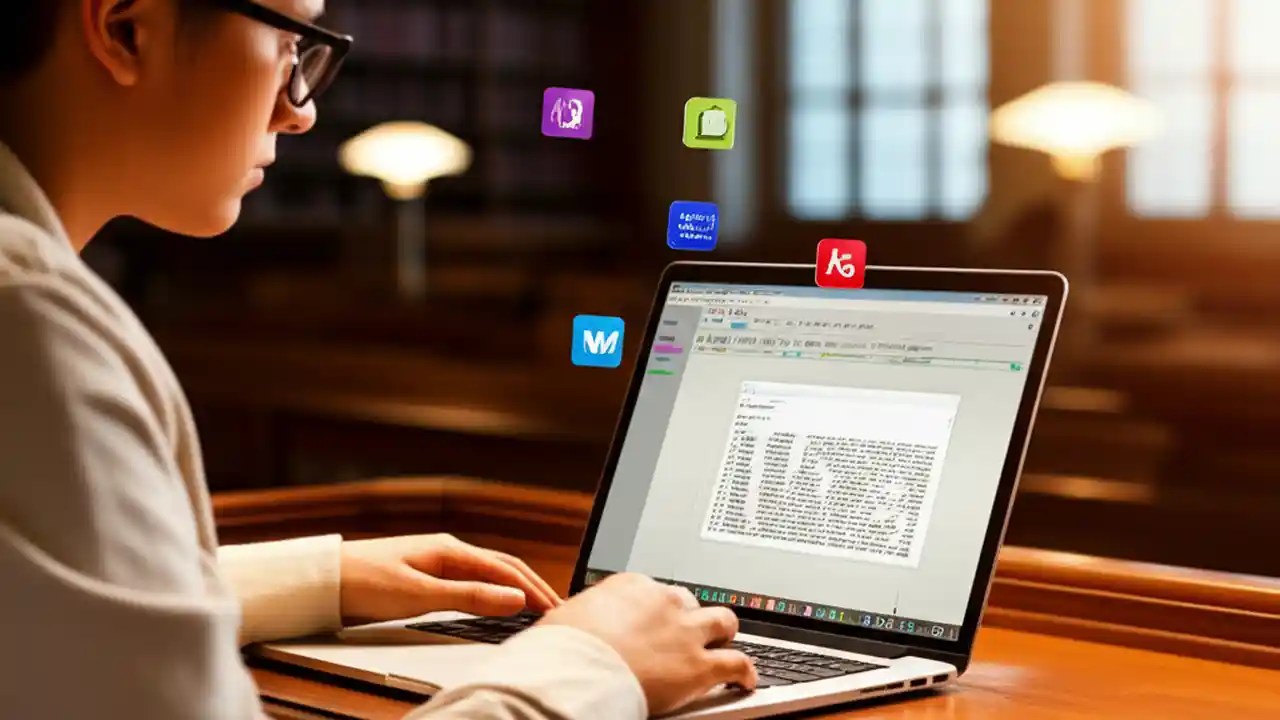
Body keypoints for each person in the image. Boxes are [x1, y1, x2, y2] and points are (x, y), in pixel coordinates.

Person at [0, 1, 758, 717]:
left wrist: (316, 581)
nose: (301, 107)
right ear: (126, 29)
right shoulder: (32, 326)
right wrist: (593, 665)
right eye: (290, 43)